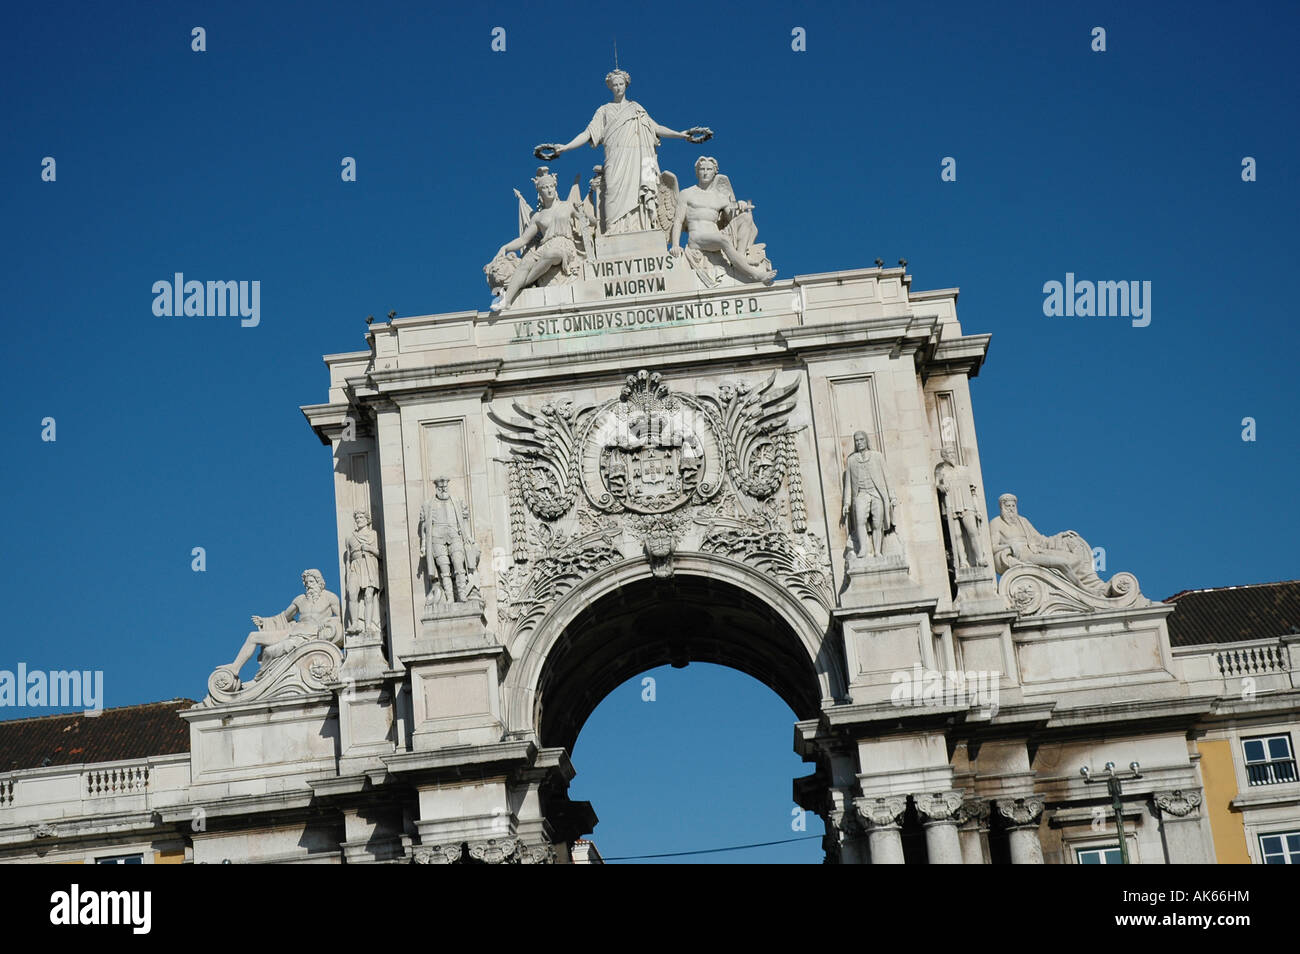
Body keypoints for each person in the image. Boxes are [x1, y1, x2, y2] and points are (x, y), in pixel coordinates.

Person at [541, 70, 701, 234]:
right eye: (615, 85)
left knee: (639, 191)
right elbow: (588, 133)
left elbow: (657, 128)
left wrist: (682, 135)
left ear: (626, 85)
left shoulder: (637, 108)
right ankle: (613, 230)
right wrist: (566, 147)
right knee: (612, 193)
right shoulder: (603, 111)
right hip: (615, 159)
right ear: (610, 87)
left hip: (638, 159)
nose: (618, 88)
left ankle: (641, 228)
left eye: (621, 84)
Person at [488, 167, 583, 312]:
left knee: (552, 254)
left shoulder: (567, 206)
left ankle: (520, 285)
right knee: (525, 263)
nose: (549, 190)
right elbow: (523, 239)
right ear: (540, 191)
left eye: (551, 186)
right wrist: (505, 248)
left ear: (555, 187)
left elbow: (588, 221)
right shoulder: (538, 217)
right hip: (546, 245)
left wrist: (584, 213)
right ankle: (506, 301)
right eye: (545, 187)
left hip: (564, 245)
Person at [671, 156, 776, 283]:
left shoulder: (720, 197)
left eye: (709, 169)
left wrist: (740, 207)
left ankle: (741, 256)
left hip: (716, 235)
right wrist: (675, 245)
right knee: (723, 240)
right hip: (697, 238)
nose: (705, 172)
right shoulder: (687, 193)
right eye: (702, 169)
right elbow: (678, 221)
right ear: (697, 172)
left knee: (746, 218)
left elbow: (733, 219)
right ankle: (755, 274)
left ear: (715, 172)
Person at [222, 569, 342, 677]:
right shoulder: (300, 600)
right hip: (293, 632)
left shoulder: (330, 598)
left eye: (311, 582)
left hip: (310, 635)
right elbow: (284, 617)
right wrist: (264, 621)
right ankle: (235, 668)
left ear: (319, 581)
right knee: (253, 636)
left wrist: (328, 620)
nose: (308, 586)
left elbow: (341, 617)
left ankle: (263, 678)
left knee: (269, 652)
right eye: (306, 583)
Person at [988, 494, 1105, 593]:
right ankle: (1083, 589)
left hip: (1036, 550)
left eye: (1013, 506)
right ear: (1002, 507)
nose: (1011, 509)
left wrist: (1061, 535)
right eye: (1008, 506)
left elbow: (1041, 540)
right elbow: (991, 548)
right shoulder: (996, 523)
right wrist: (1009, 547)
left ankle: (1097, 586)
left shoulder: (1022, 521)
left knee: (1074, 559)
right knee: (1062, 563)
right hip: (1023, 556)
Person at [840, 432, 898, 559]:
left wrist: (892, 496)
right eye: (856, 440)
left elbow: (887, 477)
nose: (859, 442)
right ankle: (863, 549)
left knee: (878, 523)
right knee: (860, 519)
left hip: (876, 492)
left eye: (861, 440)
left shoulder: (877, 456)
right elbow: (848, 484)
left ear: (866, 440)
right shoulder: (851, 460)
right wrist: (846, 503)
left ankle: (877, 550)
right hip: (861, 493)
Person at [419, 477, 473, 604]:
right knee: (444, 571)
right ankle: (450, 598)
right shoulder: (428, 504)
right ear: (436, 488)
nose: (443, 490)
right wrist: (423, 545)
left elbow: (464, 520)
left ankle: (462, 594)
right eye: (440, 488)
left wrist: (468, 536)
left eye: (445, 487)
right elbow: (424, 527)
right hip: (437, 539)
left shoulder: (457, 501)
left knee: (459, 566)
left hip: (454, 536)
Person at [934, 447, 987, 568]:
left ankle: (980, 558)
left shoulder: (964, 470)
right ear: (944, 457)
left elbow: (973, 491)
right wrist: (940, 487)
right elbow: (937, 485)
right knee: (957, 534)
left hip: (967, 504)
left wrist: (977, 509)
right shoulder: (941, 472)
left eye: (953, 452)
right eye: (948, 453)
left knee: (973, 531)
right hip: (951, 505)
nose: (952, 455)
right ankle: (962, 561)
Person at [345, 510, 382, 635]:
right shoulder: (350, 538)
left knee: (368, 595)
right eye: (357, 517)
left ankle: (368, 625)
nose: (358, 519)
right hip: (355, 566)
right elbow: (348, 560)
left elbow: (380, 553)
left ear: (367, 520)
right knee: (352, 593)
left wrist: (369, 548)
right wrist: (347, 576)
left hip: (369, 563)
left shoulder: (373, 534)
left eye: (361, 517)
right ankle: (354, 623)